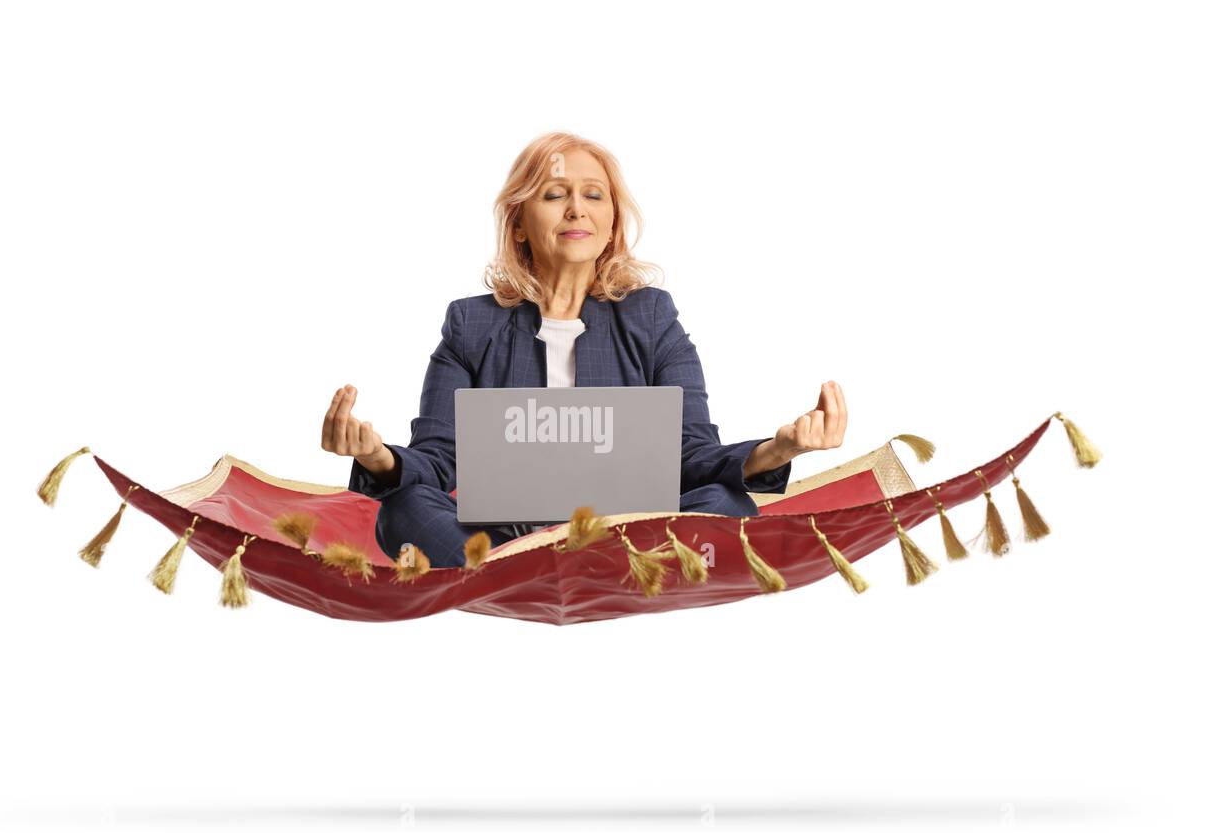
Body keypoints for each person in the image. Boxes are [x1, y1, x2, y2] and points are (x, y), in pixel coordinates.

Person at [321, 131, 847, 568]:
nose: (577, 208)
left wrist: (781, 449)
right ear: (520, 224)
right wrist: (375, 456)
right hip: (502, 538)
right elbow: (437, 462)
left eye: (594, 195)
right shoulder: (471, 325)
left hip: (629, 529)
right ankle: (519, 570)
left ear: (612, 221)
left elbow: (691, 457)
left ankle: (593, 565)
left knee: (726, 504)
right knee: (402, 509)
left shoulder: (651, 317)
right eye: (554, 195)